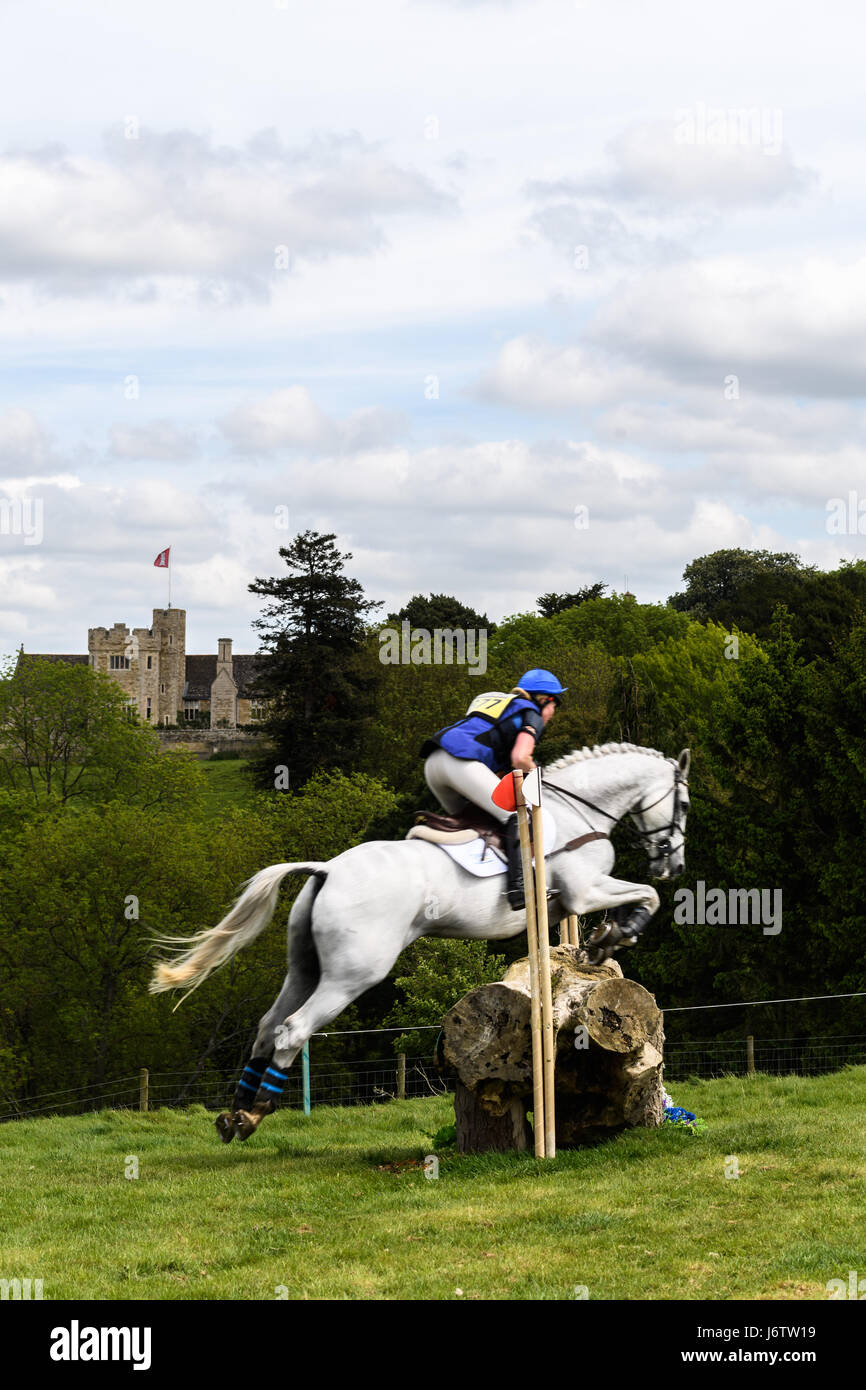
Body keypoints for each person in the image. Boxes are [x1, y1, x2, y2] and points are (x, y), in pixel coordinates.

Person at [419, 668, 567, 909]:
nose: (553, 713)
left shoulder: (503, 705)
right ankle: (520, 888)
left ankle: (475, 881)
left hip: (434, 765)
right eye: (555, 705)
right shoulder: (532, 714)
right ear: (544, 700)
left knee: (480, 820)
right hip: (461, 763)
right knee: (516, 815)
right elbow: (520, 758)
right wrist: (538, 774)